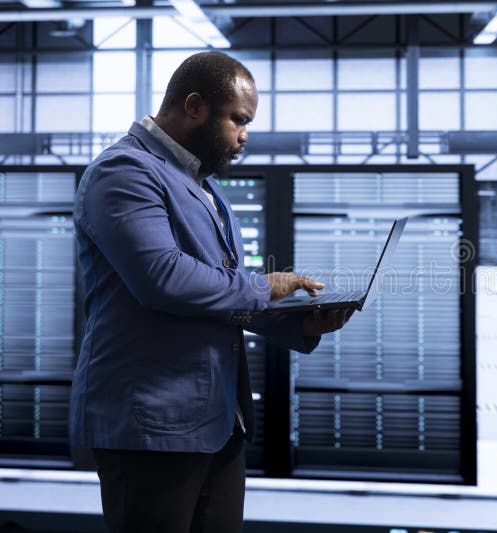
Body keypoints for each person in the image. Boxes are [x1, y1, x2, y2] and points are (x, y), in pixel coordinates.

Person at [69, 51, 347, 533]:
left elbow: (218, 298)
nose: (245, 137)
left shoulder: (202, 186)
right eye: (238, 120)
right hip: (151, 431)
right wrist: (266, 286)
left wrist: (297, 320)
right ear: (194, 106)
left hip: (217, 425)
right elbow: (163, 278)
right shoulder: (124, 172)